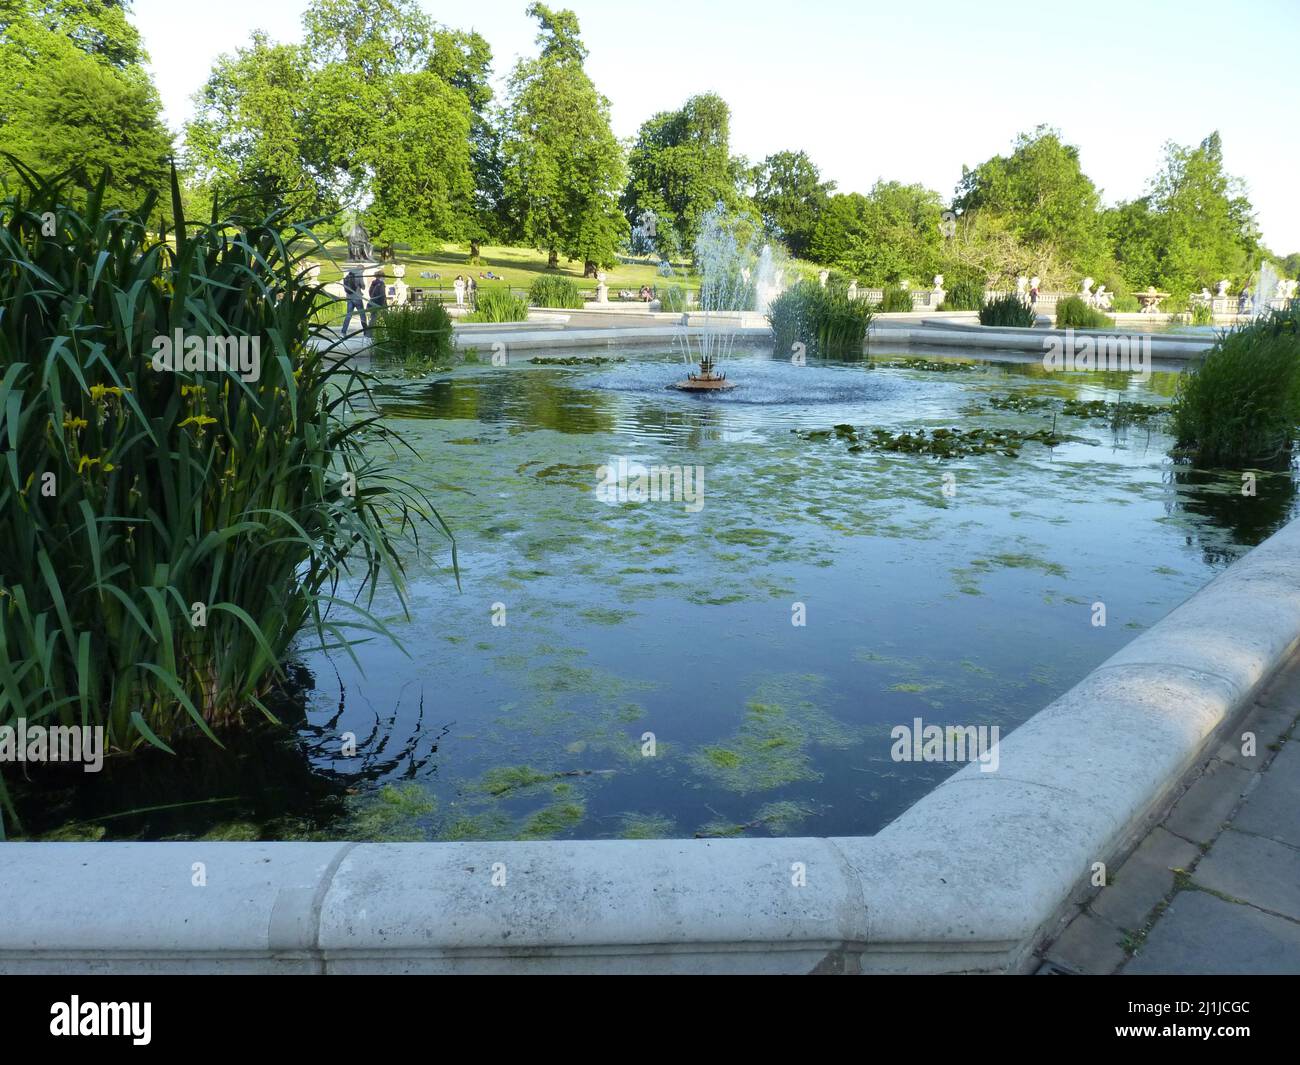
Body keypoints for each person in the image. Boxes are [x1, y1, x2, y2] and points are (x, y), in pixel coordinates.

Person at [341, 270, 367, 335]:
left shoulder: (346, 277)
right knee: (362, 315)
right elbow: (363, 287)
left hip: (349, 298)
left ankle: (343, 331)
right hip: (357, 298)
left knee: (348, 315)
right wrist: (361, 286)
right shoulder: (359, 277)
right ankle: (366, 331)